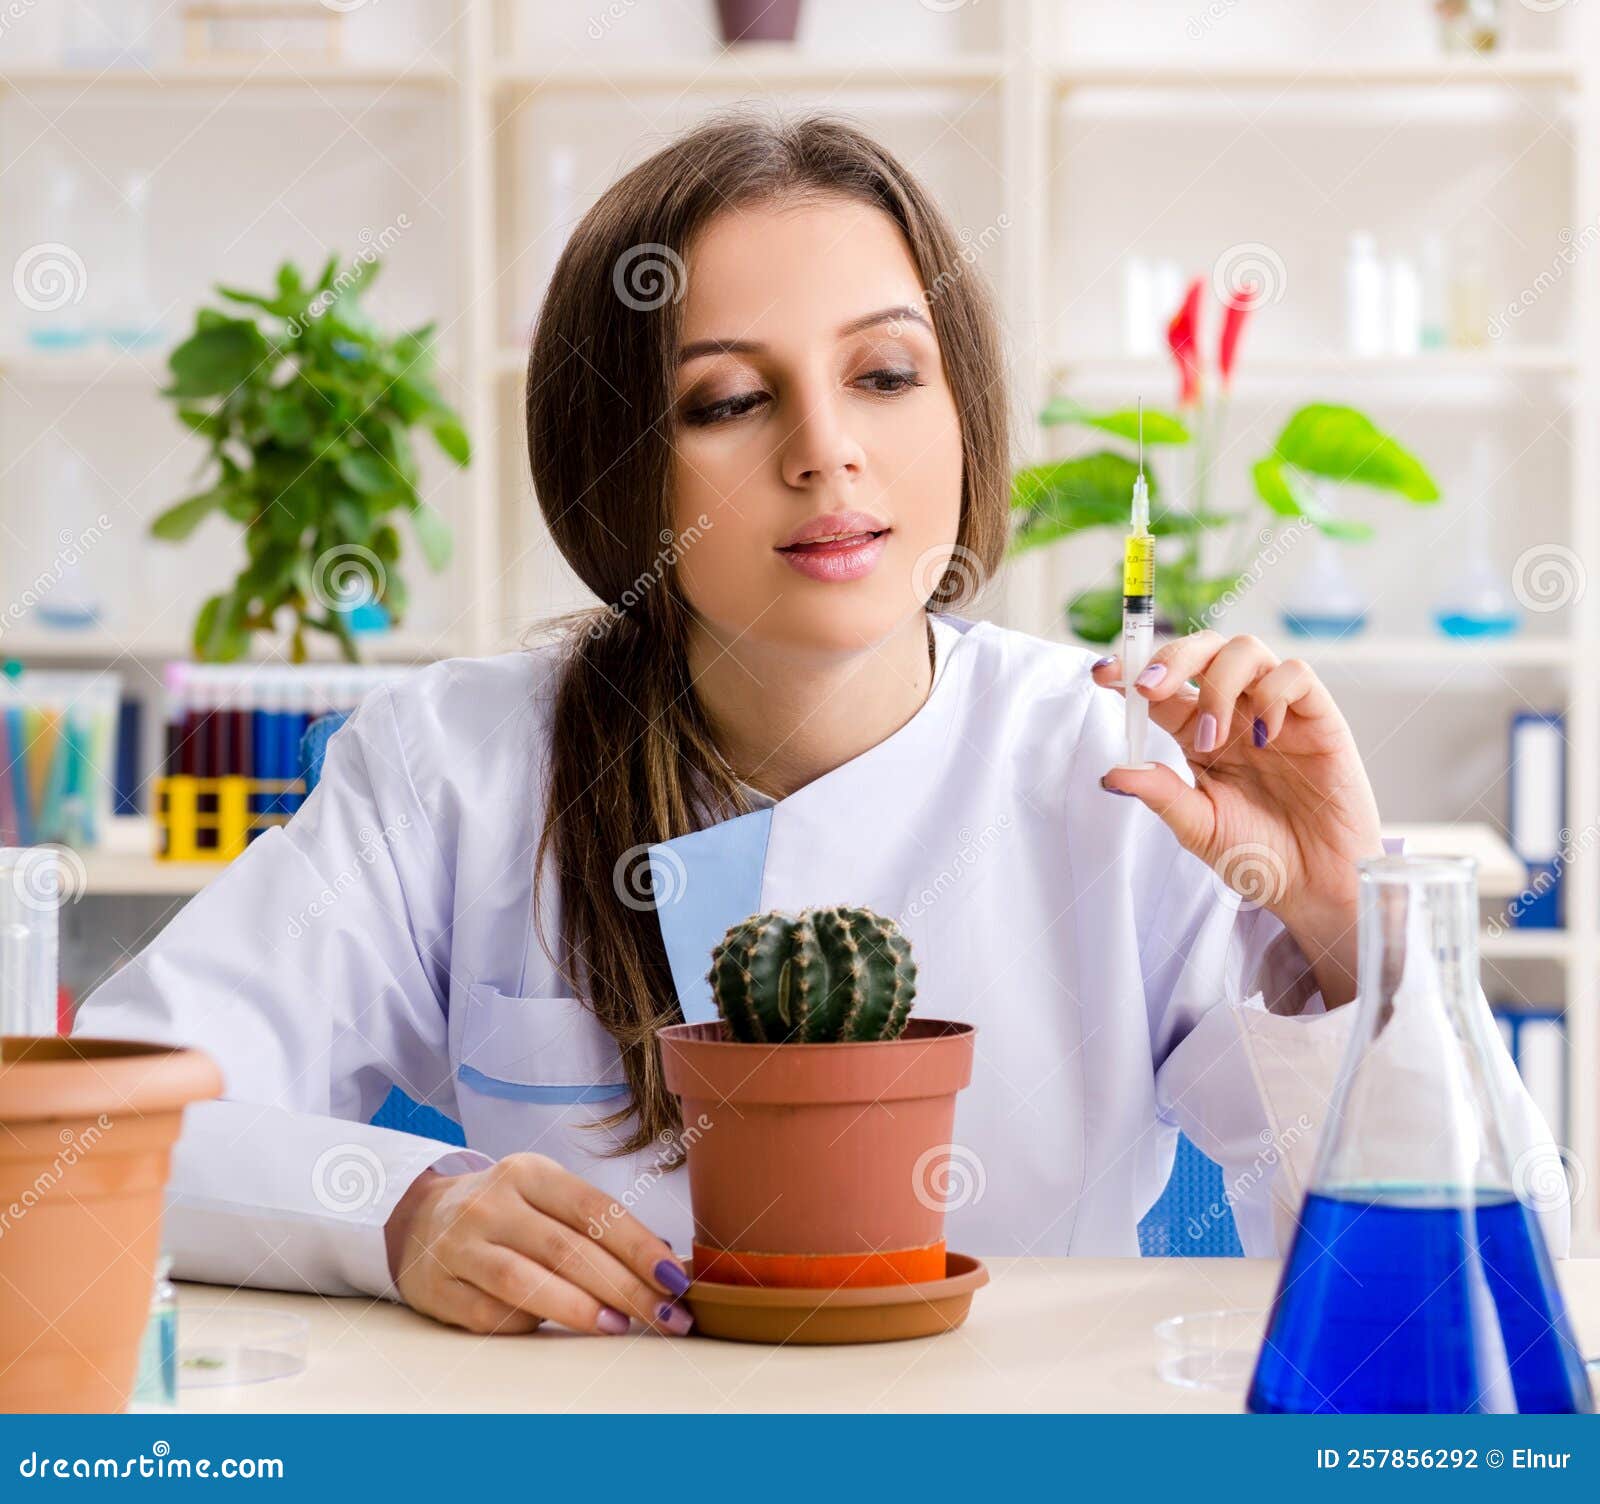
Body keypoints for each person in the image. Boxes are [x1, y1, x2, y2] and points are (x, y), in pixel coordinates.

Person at [78, 110, 1568, 1339]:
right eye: (729, 399)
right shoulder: (460, 765)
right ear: (618, 464)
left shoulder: (1119, 769)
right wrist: (400, 1211)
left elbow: (1473, 1290)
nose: (827, 450)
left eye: (885, 374)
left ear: (962, 407)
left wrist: (1343, 932)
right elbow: (102, 1132)